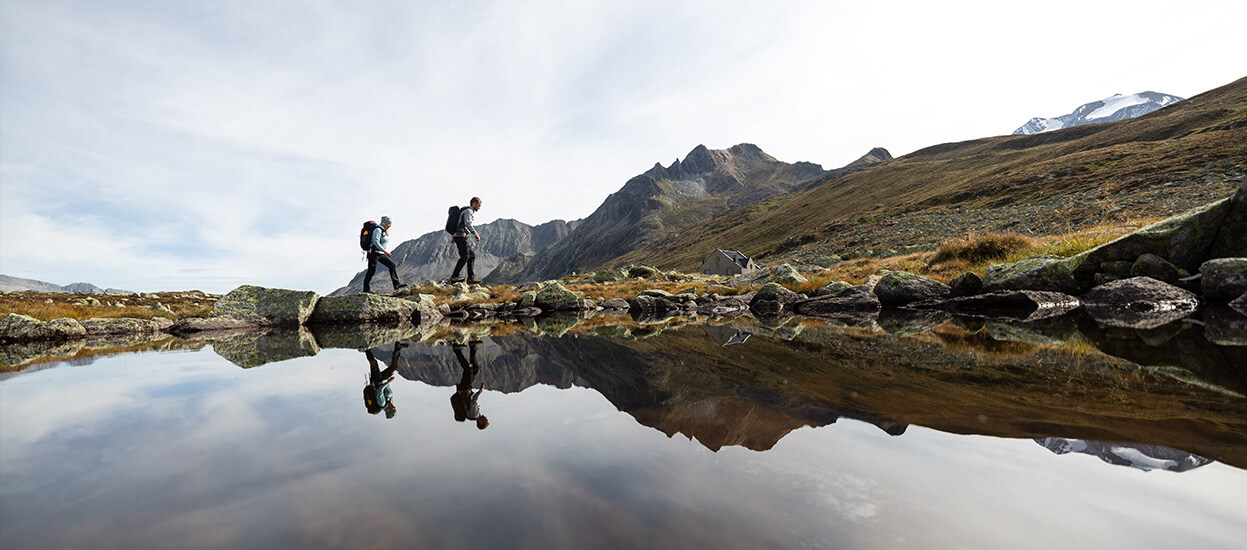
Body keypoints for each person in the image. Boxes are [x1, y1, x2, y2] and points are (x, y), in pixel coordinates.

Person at [450, 340, 489, 430]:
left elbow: (473, 401)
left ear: (480, 422)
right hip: (464, 389)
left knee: (468, 370)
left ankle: (457, 350)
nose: (486, 419)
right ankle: (472, 347)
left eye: (485, 421)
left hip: (465, 389)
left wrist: (480, 390)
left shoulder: (474, 414)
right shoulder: (473, 416)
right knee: (474, 370)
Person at [364, 216, 405, 294]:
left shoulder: (384, 231)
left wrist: (383, 251)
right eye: (389, 223)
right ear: (384, 223)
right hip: (373, 253)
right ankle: (366, 289)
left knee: (392, 265)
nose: (390, 225)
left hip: (380, 253)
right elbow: (376, 242)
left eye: (390, 223)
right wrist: (385, 251)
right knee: (371, 271)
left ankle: (396, 285)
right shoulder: (378, 230)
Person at [364, 342, 405, 419]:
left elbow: (380, 391)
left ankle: (365, 348)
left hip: (377, 380)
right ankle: (398, 347)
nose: (394, 407)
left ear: (388, 410)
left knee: (374, 364)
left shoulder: (382, 403)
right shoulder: (389, 401)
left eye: (393, 409)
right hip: (383, 379)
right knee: (394, 366)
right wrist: (387, 381)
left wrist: (388, 382)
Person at [449, 198, 482, 284]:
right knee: (465, 256)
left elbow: (458, 224)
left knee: (471, 255)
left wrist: (453, 237)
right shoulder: (469, 211)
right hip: (460, 236)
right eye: (479, 205)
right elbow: (468, 223)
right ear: (474, 203)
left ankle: (471, 278)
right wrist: (475, 234)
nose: (479, 207)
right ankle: (454, 277)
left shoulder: (465, 211)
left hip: (459, 235)